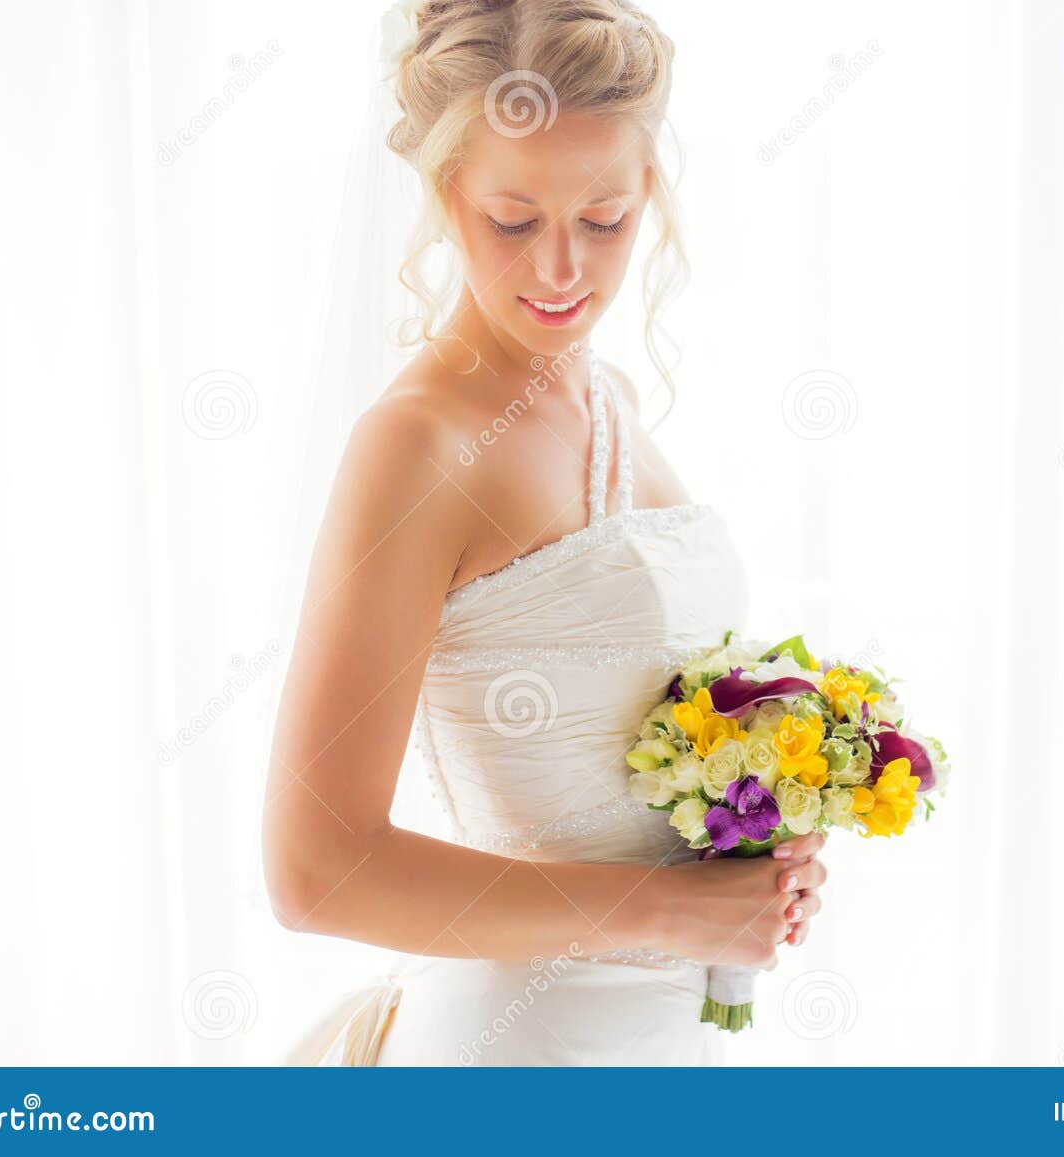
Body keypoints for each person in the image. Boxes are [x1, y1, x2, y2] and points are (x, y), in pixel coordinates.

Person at [263, 0, 827, 1065]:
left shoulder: (607, 398)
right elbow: (313, 868)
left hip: (663, 1045)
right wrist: (670, 911)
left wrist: (755, 828)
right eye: (514, 222)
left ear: (650, 189)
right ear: (444, 195)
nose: (562, 270)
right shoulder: (417, 446)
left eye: (604, 219)